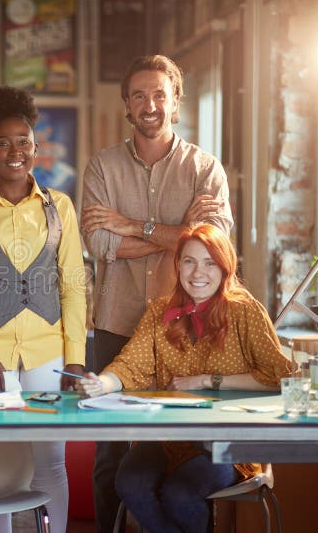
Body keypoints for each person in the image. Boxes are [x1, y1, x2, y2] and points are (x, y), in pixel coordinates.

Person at [81, 54, 234, 532]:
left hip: (184, 328)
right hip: (114, 325)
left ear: (176, 101)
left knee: (185, 441)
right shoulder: (102, 167)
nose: (150, 104)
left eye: (159, 94)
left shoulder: (205, 169)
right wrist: (180, 233)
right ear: (127, 103)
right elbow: (99, 244)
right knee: (108, 452)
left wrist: (132, 227)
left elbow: (213, 244)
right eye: (140, 95)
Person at [78, 224, 291, 532]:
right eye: (189, 261)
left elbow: (281, 377)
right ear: (177, 265)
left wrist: (209, 380)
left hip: (227, 444)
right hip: (170, 439)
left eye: (209, 262)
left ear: (225, 266)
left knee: (180, 494)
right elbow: (130, 365)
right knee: (129, 482)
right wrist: (102, 383)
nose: (197, 272)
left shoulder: (245, 311)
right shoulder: (160, 312)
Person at [0, 86, 87, 533]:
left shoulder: (60, 206)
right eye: (3, 142)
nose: (14, 151)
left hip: (49, 354)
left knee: (50, 460)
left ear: (36, 146)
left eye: (23, 140)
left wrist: (76, 359)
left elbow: (73, 287)